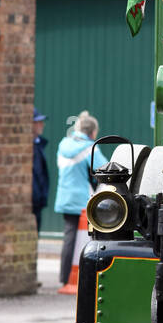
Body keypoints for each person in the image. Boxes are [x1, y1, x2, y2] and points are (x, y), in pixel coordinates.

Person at [54, 112, 105, 286]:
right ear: (92, 133)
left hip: (64, 198)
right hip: (83, 200)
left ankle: (64, 277)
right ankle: (85, 277)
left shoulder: (63, 144)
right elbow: (104, 169)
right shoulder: (90, 147)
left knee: (68, 239)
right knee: (90, 239)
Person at [32, 108, 50, 232]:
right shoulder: (30, 146)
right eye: (38, 122)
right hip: (32, 201)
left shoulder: (38, 144)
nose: (41, 125)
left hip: (38, 202)